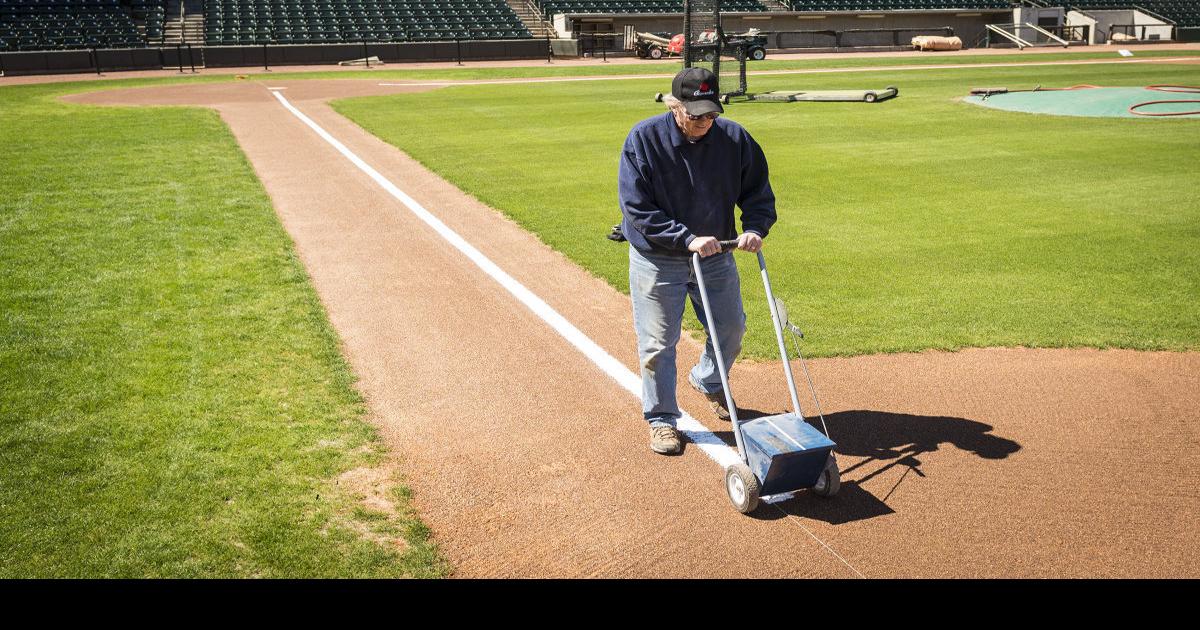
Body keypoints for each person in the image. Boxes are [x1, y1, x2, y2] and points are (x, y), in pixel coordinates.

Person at [617, 67, 777, 455]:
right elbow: (636, 207)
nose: (705, 121)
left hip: (716, 255)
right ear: (675, 107)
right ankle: (661, 419)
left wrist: (755, 227)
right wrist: (685, 238)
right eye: (696, 114)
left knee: (731, 329)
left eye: (711, 113)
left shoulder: (734, 138)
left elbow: (757, 190)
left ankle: (708, 380)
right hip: (658, 258)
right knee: (658, 343)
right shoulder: (644, 139)